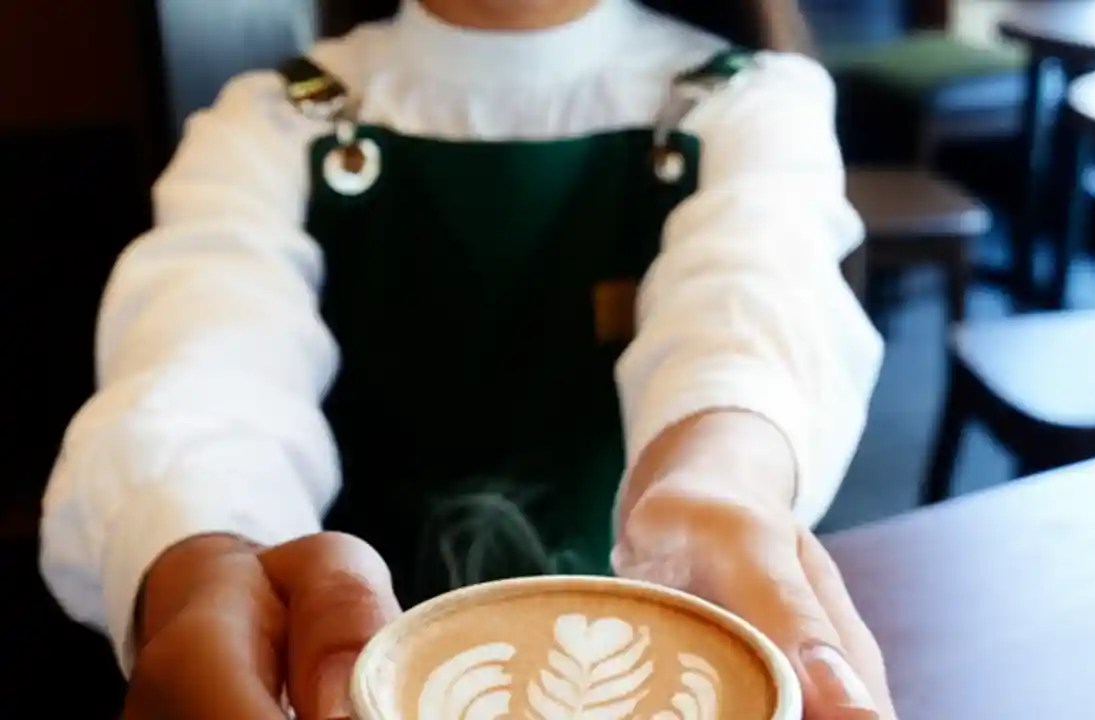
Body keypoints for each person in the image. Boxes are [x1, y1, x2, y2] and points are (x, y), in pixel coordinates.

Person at [39, 0, 891, 718]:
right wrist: (202, 559)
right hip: (336, 671)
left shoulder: (751, 99)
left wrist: (722, 478)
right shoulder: (272, 118)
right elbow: (204, 354)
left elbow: (755, 289)